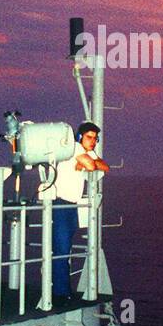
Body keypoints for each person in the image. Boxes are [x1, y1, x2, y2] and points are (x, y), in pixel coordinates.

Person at [49, 122, 109, 302]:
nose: (93, 142)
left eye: (95, 138)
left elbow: (104, 166)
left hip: (72, 205)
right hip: (60, 204)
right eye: (89, 137)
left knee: (65, 248)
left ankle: (62, 290)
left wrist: (86, 163)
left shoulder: (87, 152)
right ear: (79, 137)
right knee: (61, 249)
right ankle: (60, 293)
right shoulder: (74, 148)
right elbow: (92, 166)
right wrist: (87, 163)